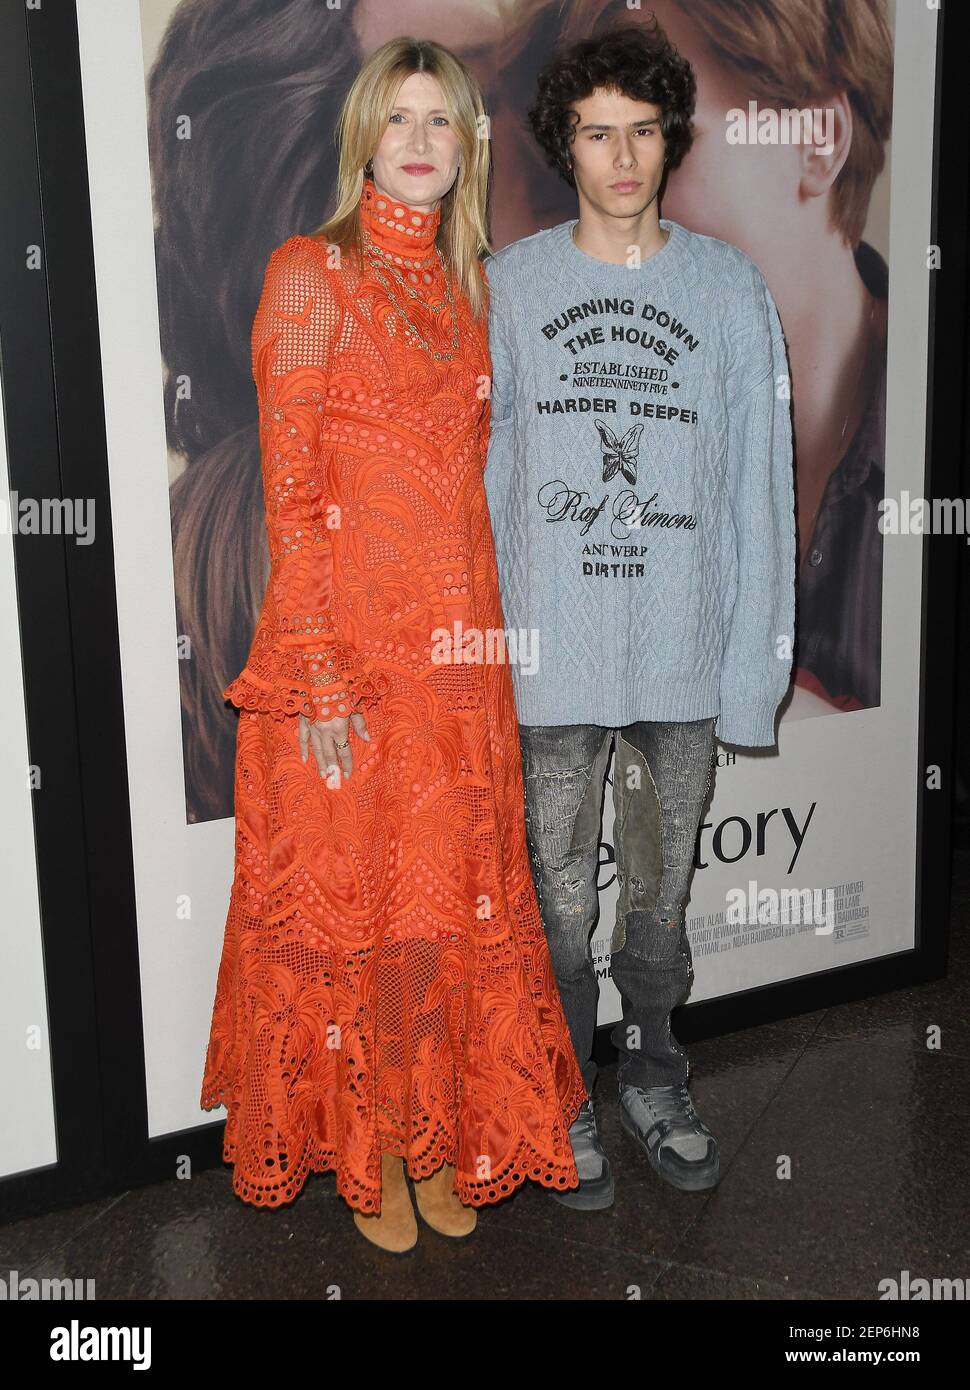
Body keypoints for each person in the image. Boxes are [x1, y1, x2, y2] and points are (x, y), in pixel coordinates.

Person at [200, 36, 585, 1252]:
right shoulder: (311, 273)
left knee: (440, 920)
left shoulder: (469, 290)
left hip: (457, 672)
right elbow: (291, 484)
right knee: (364, 912)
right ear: (363, 131)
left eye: (442, 119)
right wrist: (313, 667)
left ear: (467, 144)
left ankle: (433, 1141)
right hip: (351, 668)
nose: (419, 139)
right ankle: (368, 1159)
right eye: (398, 115)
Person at [483, 20, 796, 1207]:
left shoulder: (726, 289)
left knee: (656, 905)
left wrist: (749, 670)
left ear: (672, 139)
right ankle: (561, 1090)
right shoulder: (509, 289)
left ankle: (654, 1073)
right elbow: (481, 490)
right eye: (596, 133)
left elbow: (761, 487)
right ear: (564, 146)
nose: (622, 157)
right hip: (547, 666)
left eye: (643, 130)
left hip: (678, 657)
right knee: (558, 913)